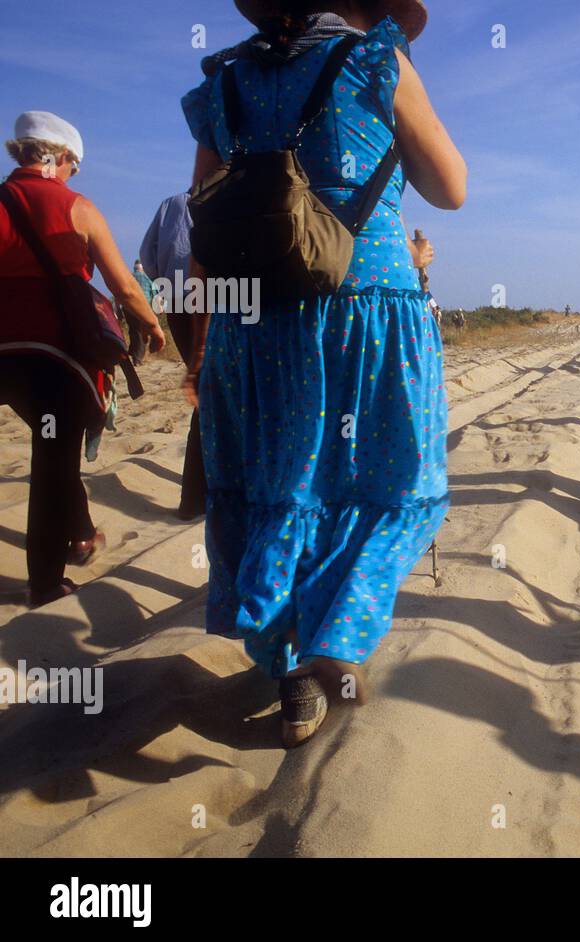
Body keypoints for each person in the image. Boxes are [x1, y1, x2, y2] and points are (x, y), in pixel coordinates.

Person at [181, 0, 466, 746]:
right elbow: (451, 187)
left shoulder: (226, 80)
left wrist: (202, 342)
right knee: (394, 479)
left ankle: (288, 669)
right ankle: (337, 633)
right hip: (367, 301)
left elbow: (202, 222)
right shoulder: (378, 60)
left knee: (278, 483)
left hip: (255, 316)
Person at [0, 111, 165, 606]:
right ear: (62, 158)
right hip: (53, 354)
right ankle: (46, 584)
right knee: (53, 458)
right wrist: (151, 326)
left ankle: (81, 529)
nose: (73, 174)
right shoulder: (77, 207)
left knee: (48, 437)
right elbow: (125, 286)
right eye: (74, 165)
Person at [140, 190, 208, 520]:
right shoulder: (230, 193)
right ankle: (195, 498)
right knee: (213, 394)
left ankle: (196, 497)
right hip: (224, 299)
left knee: (207, 392)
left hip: (179, 302)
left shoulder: (171, 204)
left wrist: (167, 282)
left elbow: (147, 255)